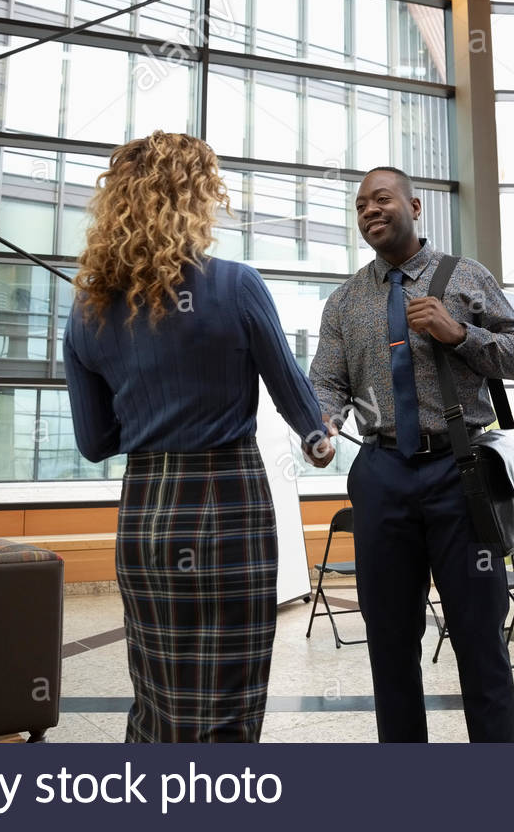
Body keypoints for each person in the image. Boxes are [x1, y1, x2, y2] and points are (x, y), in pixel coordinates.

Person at [63, 131, 334, 743]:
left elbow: (95, 443)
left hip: (144, 517)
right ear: (196, 198)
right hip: (227, 509)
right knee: (226, 699)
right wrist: (321, 437)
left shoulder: (86, 311)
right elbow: (299, 404)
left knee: (157, 696)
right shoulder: (235, 285)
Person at [309, 166, 514, 742]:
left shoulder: (466, 277)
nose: (369, 212)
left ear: (415, 205)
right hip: (381, 475)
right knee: (389, 641)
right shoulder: (344, 300)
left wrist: (460, 333)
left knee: (480, 638)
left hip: (461, 472)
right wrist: (323, 427)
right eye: (360, 206)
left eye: (380, 200)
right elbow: (326, 383)